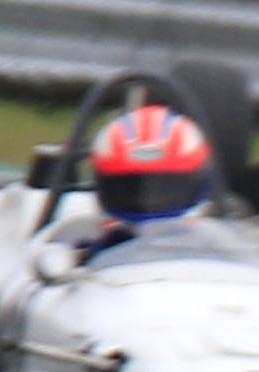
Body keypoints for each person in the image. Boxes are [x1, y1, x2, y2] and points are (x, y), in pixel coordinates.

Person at [70, 104, 216, 260]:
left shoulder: (216, 252)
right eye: (130, 188)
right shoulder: (89, 257)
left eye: (164, 187)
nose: (149, 199)